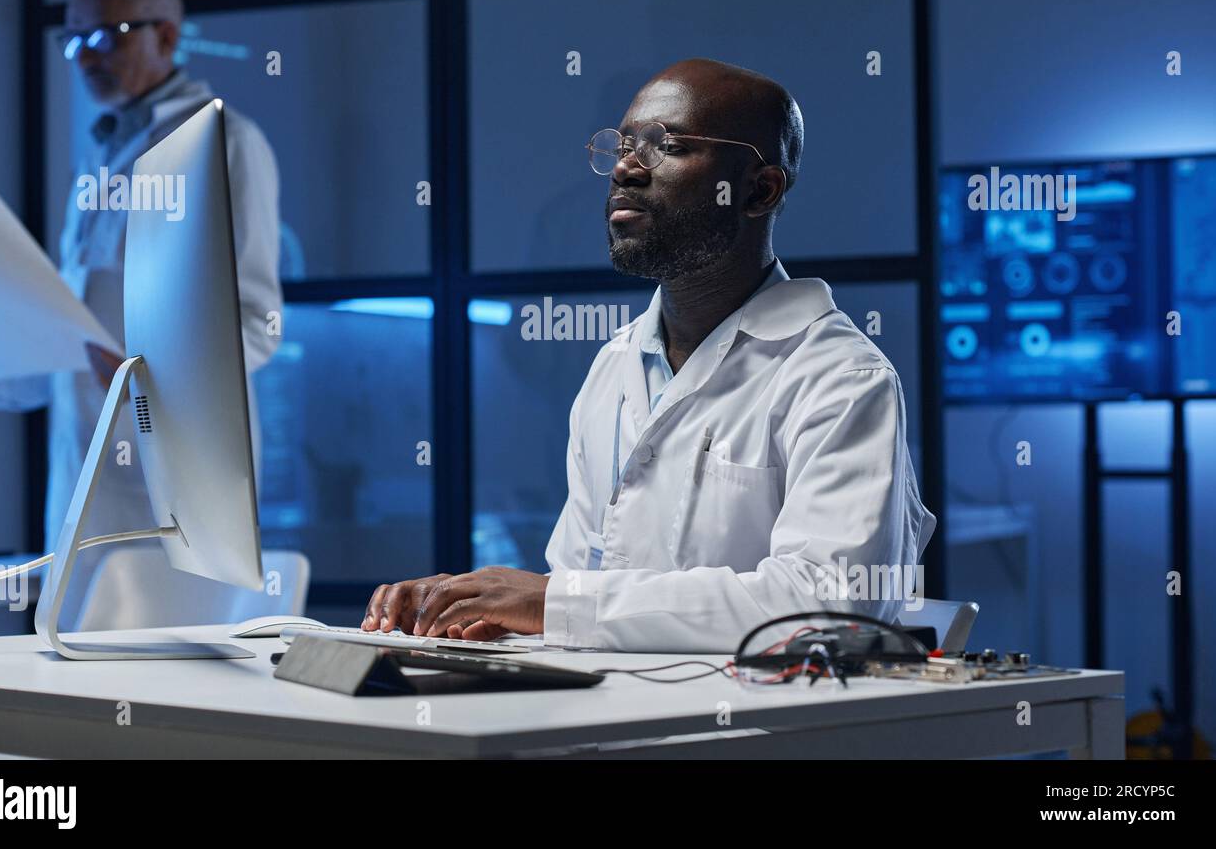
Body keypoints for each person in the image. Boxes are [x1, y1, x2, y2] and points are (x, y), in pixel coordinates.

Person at [364, 58, 935, 653]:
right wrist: (471, 614)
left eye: (667, 147)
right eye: (622, 145)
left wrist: (552, 602)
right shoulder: (615, 366)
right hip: (609, 718)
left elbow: (831, 607)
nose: (625, 169)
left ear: (759, 190)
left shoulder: (841, 377)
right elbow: (578, 588)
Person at [0, 0, 281, 566]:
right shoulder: (102, 154)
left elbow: (256, 321)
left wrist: (154, 382)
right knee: (67, 643)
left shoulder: (226, 143)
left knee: (165, 650)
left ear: (166, 36)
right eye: (73, 40)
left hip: (173, 471)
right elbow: (81, 329)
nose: (85, 57)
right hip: (82, 468)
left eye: (103, 36)